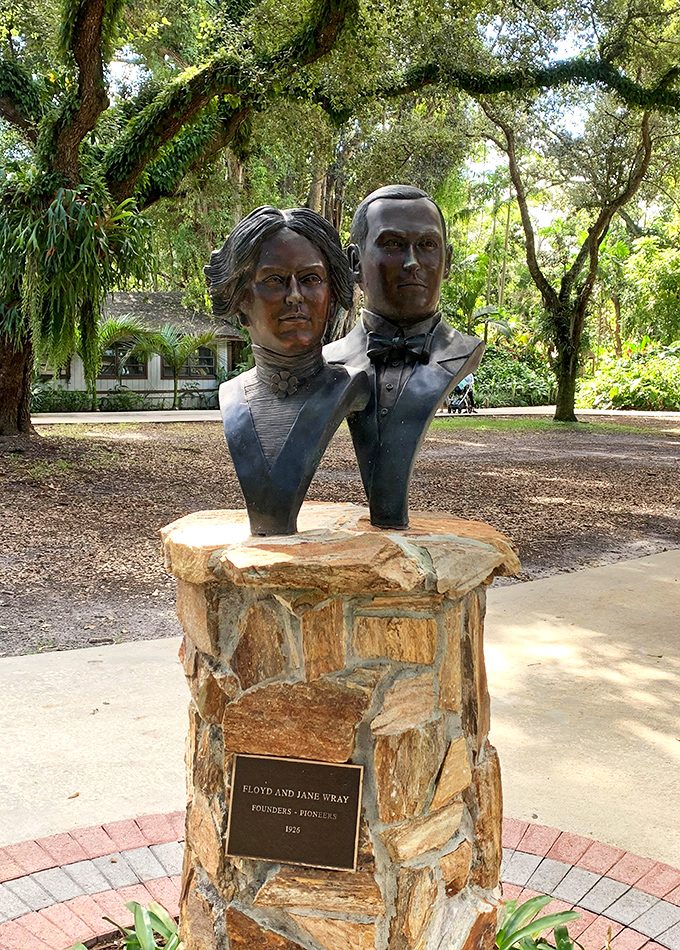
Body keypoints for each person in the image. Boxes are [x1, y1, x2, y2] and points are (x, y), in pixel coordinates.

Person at [324, 185, 484, 528]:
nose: (413, 263)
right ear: (355, 263)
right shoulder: (329, 363)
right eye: (393, 245)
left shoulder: (460, 354)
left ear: (447, 261)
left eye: (427, 245)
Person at [206, 206, 369, 536]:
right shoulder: (233, 397)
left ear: (332, 295)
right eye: (274, 280)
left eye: (311, 279)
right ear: (238, 300)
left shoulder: (348, 387)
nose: (295, 296)